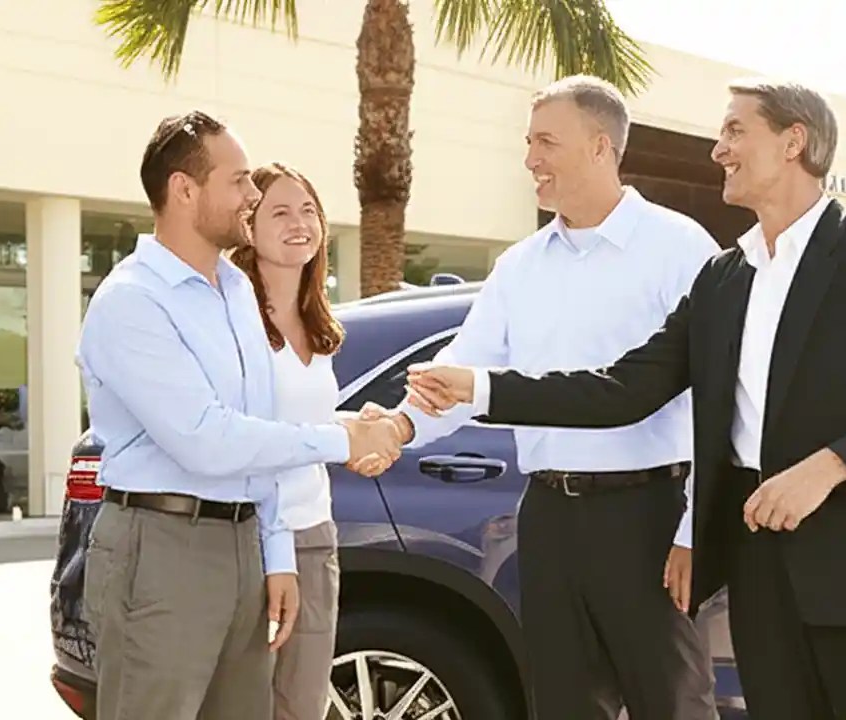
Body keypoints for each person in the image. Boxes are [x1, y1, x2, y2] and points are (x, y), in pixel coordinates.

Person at [403, 79, 846, 720]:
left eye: (736, 131)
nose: (718, 150)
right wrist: (482, 386)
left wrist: (828, 469)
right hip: (763, 578)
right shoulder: (724, 279)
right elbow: (625, 390)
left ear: (794, 141)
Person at [365, 75, 720, 720]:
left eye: (546, 142)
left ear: (600, 147)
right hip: (549, 518)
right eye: (528, 142)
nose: (530, 159)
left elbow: (717, 403)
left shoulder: (682, 249)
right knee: (561, 705)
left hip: (650, 516)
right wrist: (400, 427)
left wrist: (697, 529)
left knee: (673, 706)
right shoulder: (519, 266)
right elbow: (461, 373)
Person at [76, 111, 404, 720]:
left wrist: (277, 556)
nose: (253, 195)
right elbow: (207, 441)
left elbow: (260, 429)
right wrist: (343, 438)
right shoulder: (132, 302)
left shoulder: (233, 290)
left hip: (243, 543)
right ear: (184, 190)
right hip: (161, 549)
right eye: (238, 182)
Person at [229, 162, 370, 719]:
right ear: (249, 226)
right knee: (246, 704)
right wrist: (342, 440)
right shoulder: (234, 319)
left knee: (303, 705)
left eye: (308, 210)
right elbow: (252, 436)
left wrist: (361, 433)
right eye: (280, 211)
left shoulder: (318, 324)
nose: (299, 223)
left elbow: (308, 421)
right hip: (252, 536)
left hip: (315, 532)